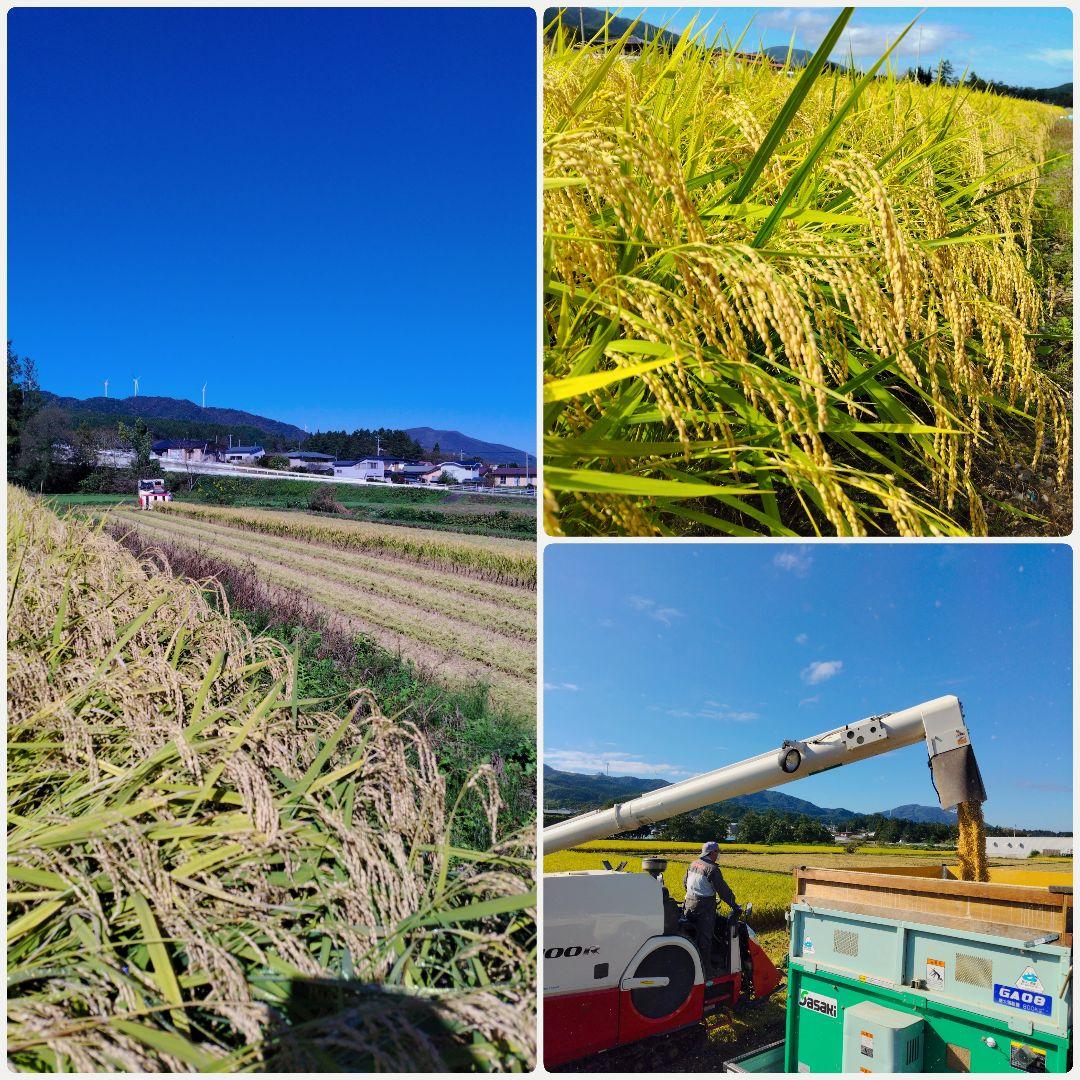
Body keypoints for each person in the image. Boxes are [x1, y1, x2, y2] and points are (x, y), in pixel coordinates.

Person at [683, 841, 741, 977]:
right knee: (705, 938)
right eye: (717, 852)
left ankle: (690, 965)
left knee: (690, 935)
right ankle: (706, 971)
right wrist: (735, 906)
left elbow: (685, 883)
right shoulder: (712, 869)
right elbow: (723, 892)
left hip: (688, 904)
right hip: (704, 907)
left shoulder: (693, 864)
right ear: (712, 853)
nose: (718, 855)